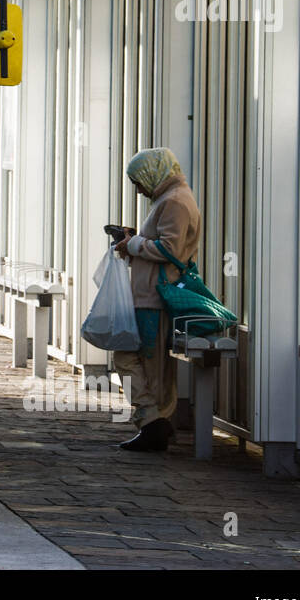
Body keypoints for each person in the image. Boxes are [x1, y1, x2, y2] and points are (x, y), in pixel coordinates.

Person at [112, 147, 201, 452]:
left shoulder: (174, 201)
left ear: (153, 173)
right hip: (149, 294)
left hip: (155, 297)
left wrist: (133, 244)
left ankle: (154, 422)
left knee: (147, 364)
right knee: (142, 361)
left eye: (138, 181)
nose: (138, 188)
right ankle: (154, 421)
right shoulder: (170, 198)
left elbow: (169, 249)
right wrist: (134, 239)